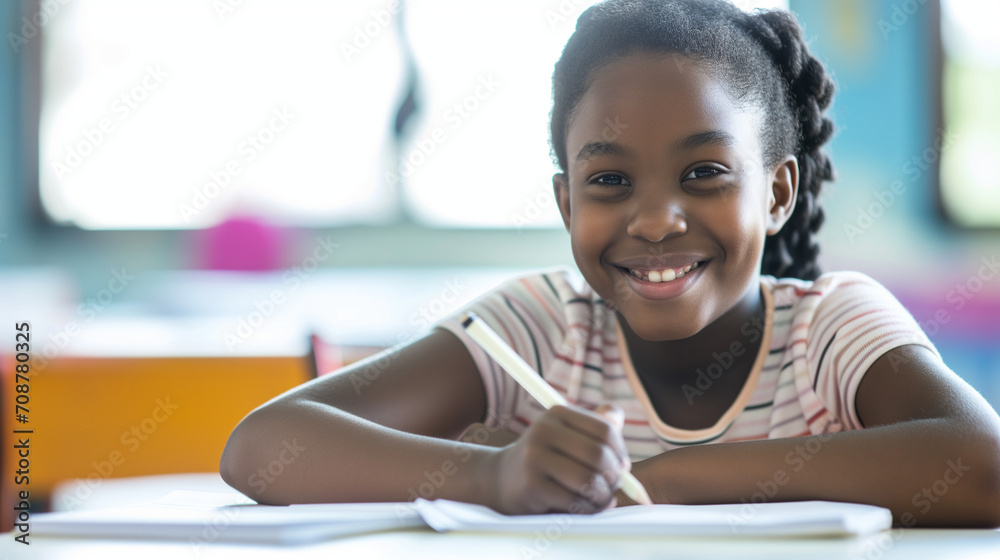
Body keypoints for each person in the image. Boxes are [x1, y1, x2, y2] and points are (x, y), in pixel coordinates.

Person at [220, 0, 1000, 526]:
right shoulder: (536, 327)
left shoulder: (831, 328)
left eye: (704, 173)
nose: (656, 218)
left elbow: (982, 467)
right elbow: (260, 449)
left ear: (777, 191)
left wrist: (666, 481)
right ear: (567, 206)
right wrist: (491, 480)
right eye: (610, 181)